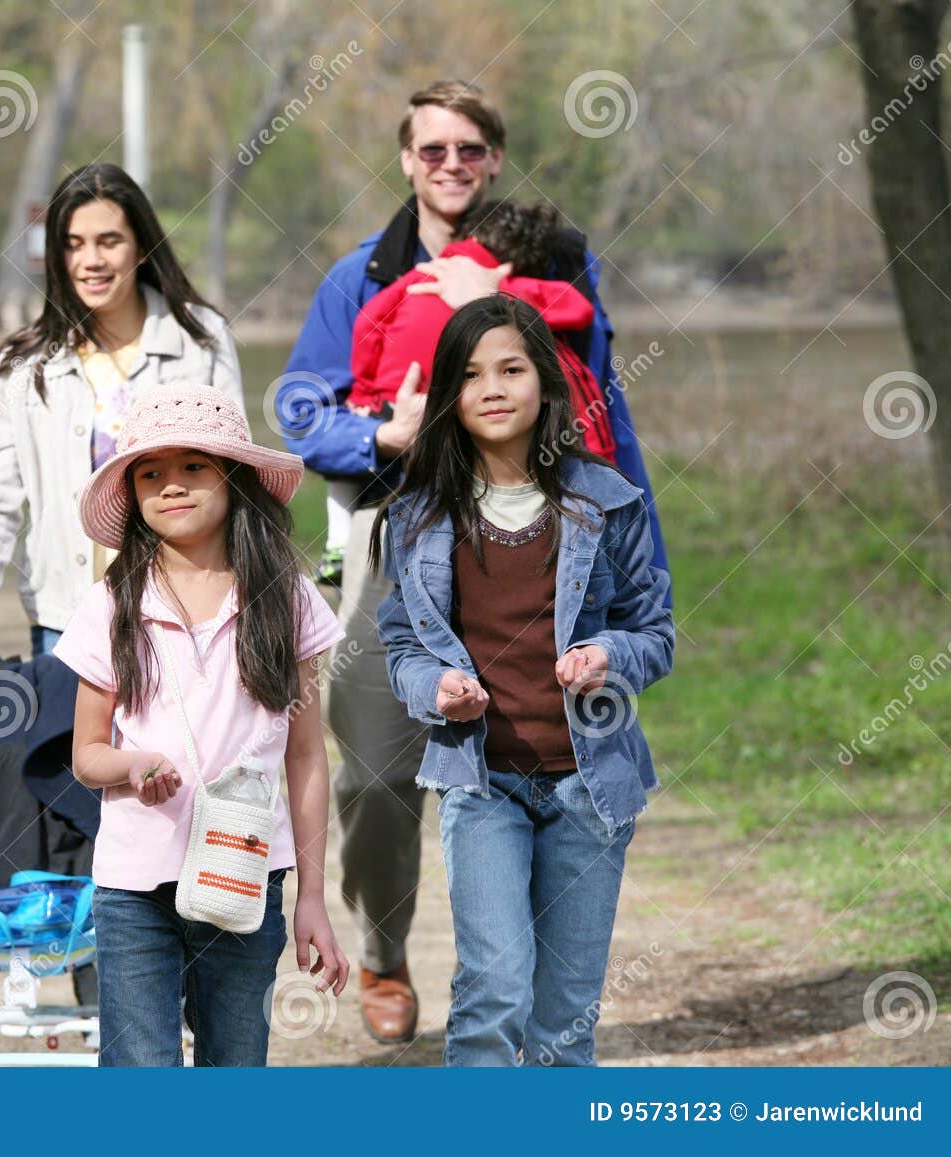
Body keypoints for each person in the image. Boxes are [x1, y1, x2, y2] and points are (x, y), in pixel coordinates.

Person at [278, 79, 669, 1044]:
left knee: (537, 753)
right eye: (431, 149)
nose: (450, 164)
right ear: (407, 161)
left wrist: (636, 547)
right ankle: (385, 944)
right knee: (375, 768)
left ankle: (529, 1002)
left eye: (469, 149)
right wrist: (383, 432)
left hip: (546, 527)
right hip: (398, 531)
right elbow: (296, 413)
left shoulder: (555, 264)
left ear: (492, 159)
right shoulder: (362, 278)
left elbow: (598, 405)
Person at [372, 294, 673, 1065]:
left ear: (544, 379)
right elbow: (401, 640)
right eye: (471, 375)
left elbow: (656, 631)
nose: (493, 387)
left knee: (565, 1018)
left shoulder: (607, 500)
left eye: (511, 367)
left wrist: (609, 654)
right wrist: (433, 686)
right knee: (496, 984)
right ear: (450, 394)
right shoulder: (415, 515)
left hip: (590, 786)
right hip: (482, 784)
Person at [53, 384, 349, 1066]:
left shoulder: (289, 598)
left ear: (234, 478)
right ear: (132, 493)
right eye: (151, 473)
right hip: (134, 885)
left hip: (246, 876)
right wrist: (132, 765)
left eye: (194, 466)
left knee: (235, 1062)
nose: (172, 486)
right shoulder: (109, 605)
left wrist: (311, 898)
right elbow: (88, 753)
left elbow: (305, 757)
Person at [0, 163, 242, 658]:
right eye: (73, 244)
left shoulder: (200, 341)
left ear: (141, 247)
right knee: (78, 740)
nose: (91, 260)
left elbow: (236, 477)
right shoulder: (24, 363)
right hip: (66, 622)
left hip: (187, 616)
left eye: (109, 241)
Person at [320, 199, 616, 578]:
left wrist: (363, 389)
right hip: (448, 407)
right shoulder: (500, 287)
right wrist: (500, 287)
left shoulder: (421, 275)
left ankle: (339, 546)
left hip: (391, 400)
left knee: (355, 472)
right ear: (514, 263)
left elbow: (367, 323)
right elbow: (578, 308)